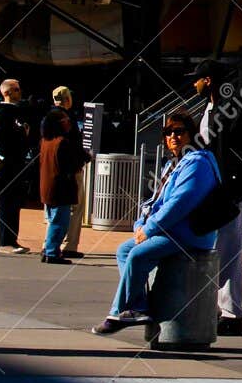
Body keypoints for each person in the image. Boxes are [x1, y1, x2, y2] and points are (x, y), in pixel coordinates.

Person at [92, 111, 220, 334]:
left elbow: (180, 202)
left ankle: (120, 311)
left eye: (179, 131)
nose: (173, 137)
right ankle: (139, 306)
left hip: (189, 234)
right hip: (170, 231)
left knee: (138, 255)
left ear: (191, 135)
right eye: (168, 132)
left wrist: (150, 229)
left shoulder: (197, 163)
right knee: (125, 250)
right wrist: (140, 225)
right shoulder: (173, 165)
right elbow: (154, 201)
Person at [191, 59, 242, 336]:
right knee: (216, 250)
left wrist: (235, 187)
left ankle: (232, 312)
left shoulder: (230, 108)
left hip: (227, 192)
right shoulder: (213, 107)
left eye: (197, 79)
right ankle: (222, 308)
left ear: (208, 80)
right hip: (213, 190)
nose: (194, 84)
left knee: (229, 251)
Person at [0, 78, 34, 254]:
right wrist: (22, 133)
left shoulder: (15, 112)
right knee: (7, 203)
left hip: (16, 164)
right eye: (16, 89)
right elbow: (4, 139)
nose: (20, 92)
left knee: (14, 203)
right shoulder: (4, 114)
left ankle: (12, 239)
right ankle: (5, 242)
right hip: (8, 165)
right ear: (7, 93)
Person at [37, 107, 87, 264]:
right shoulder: (62, 143)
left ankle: (50, 249)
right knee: (60, 222)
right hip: (60, 189)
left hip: (48, 187)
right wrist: (83, 159)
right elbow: (69, 166)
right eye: (66, 121)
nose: (69, 123)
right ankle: (52, 251)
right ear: (59, 124)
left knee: (54, 220)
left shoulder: (45, 141)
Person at [52, 86, 89, 257]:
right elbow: (73, 145)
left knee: (53, 207)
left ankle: (51, 243)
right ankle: (70, 245)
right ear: (68, 100)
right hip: (71, 170)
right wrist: (84, 158)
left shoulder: (48, 118)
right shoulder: (69, 119)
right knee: (75, 207)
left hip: (53, 170)